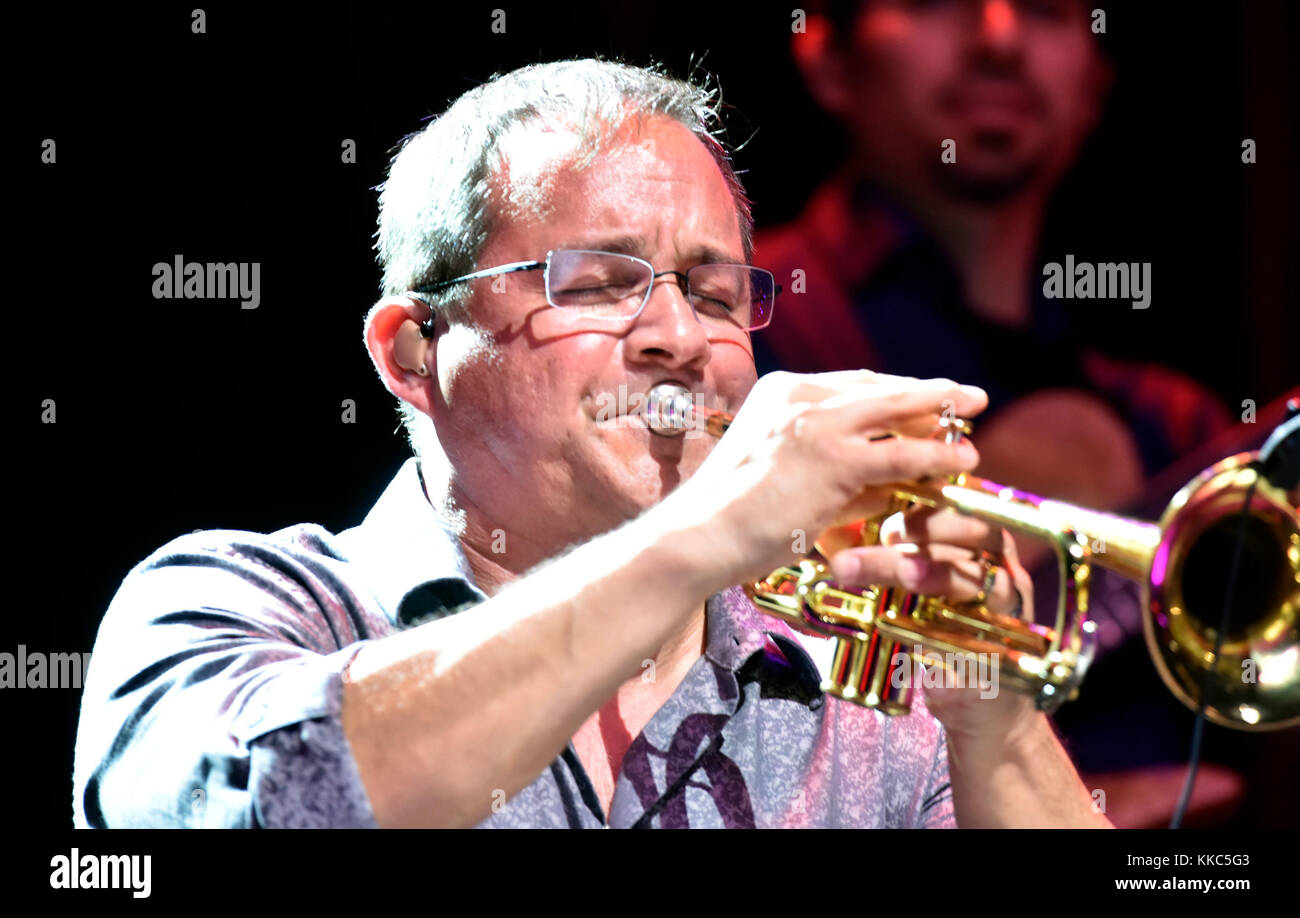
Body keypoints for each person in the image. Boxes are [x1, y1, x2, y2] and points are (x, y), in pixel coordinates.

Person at [72, 59, 1111, 829]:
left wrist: (999, 725)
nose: (676, 337)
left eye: (713, 294)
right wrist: (705, 538)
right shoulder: (231, 604)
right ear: (413, 352)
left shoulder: (862, 702)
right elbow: (280, 812)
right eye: (599, 284)